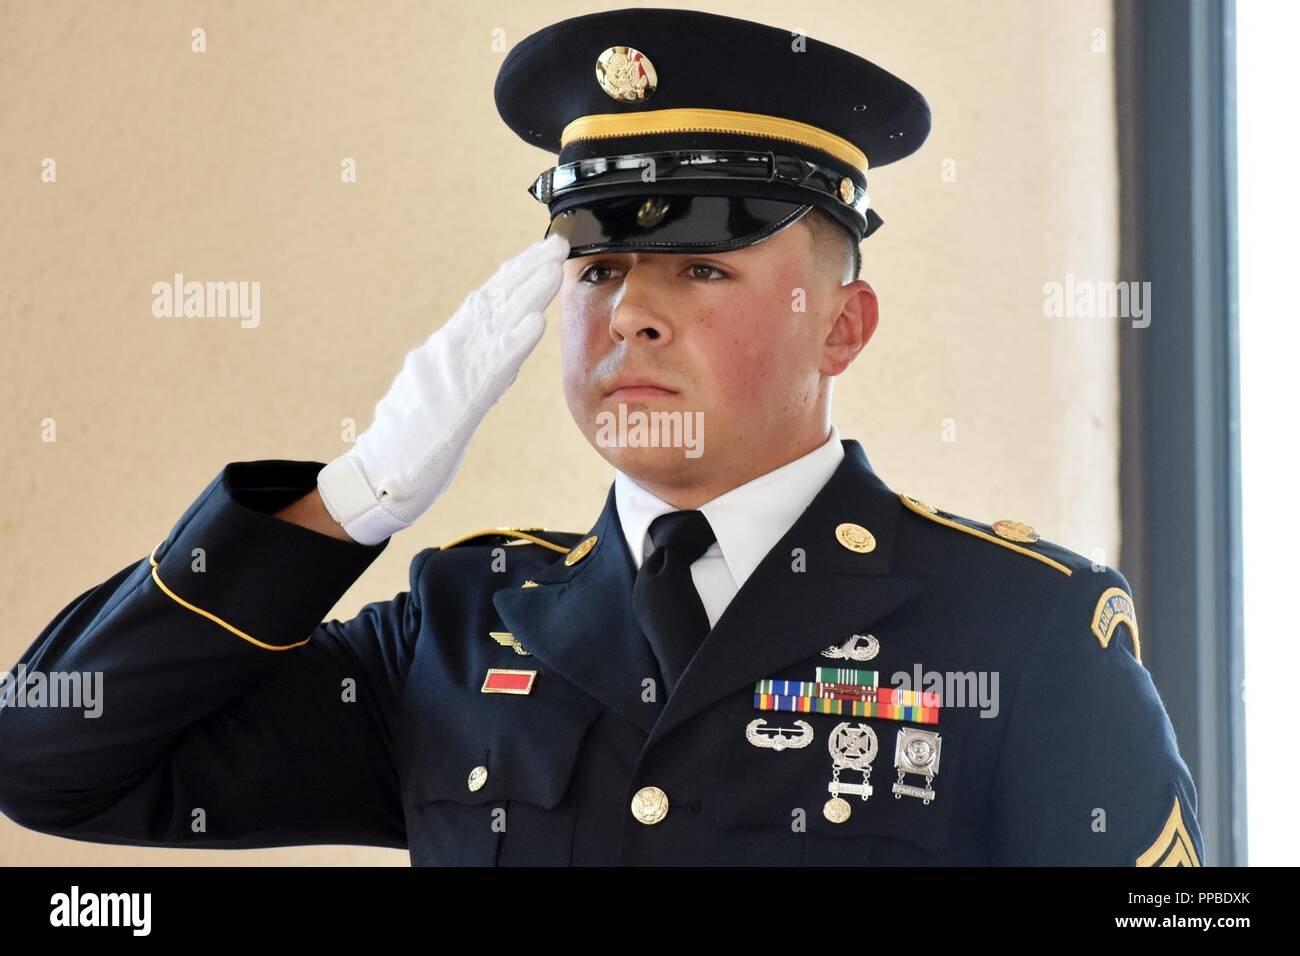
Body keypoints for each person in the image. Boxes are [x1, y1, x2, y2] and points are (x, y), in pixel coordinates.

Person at [0, 7, 1203, 866]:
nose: (631, 309)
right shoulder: (464, 625)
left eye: (700, 266)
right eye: (600, 265)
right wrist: (347, 499)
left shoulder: (1019, 624)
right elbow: (53, 757)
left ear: (842, 327)